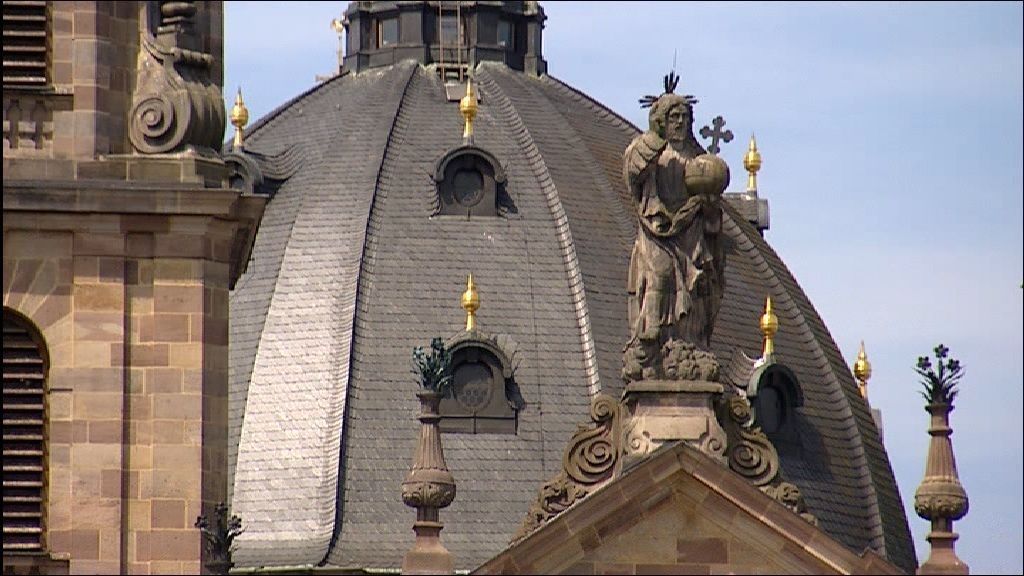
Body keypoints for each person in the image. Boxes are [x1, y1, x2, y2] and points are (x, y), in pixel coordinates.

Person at [622, 74, 726, 382]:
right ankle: (650, 336)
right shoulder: (648, 151)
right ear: (660, 120)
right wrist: (654, 138)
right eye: (673, 116)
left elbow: (712, 210)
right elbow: (633, 172)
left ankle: (690, 340)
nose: (680, 122)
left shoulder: (698, 159)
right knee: (661, 275)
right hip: (657, 230)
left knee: (698, 287)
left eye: (684, 116)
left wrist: (707, 206)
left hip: (691, 236)